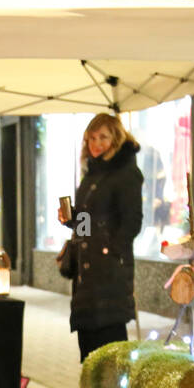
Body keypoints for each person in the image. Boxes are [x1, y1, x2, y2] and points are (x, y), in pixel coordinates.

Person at [56, 113, 145, 361]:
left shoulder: (126, 173)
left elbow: (132, 222)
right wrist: (72, 219)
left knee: (109, 349)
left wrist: (110, 252)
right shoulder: (92, 174)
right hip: (87, 276)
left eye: (103, 137)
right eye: (92, 138)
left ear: (116, 138)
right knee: (88, 349)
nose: (96, 144)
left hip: (109, 274)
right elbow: (87, 224)